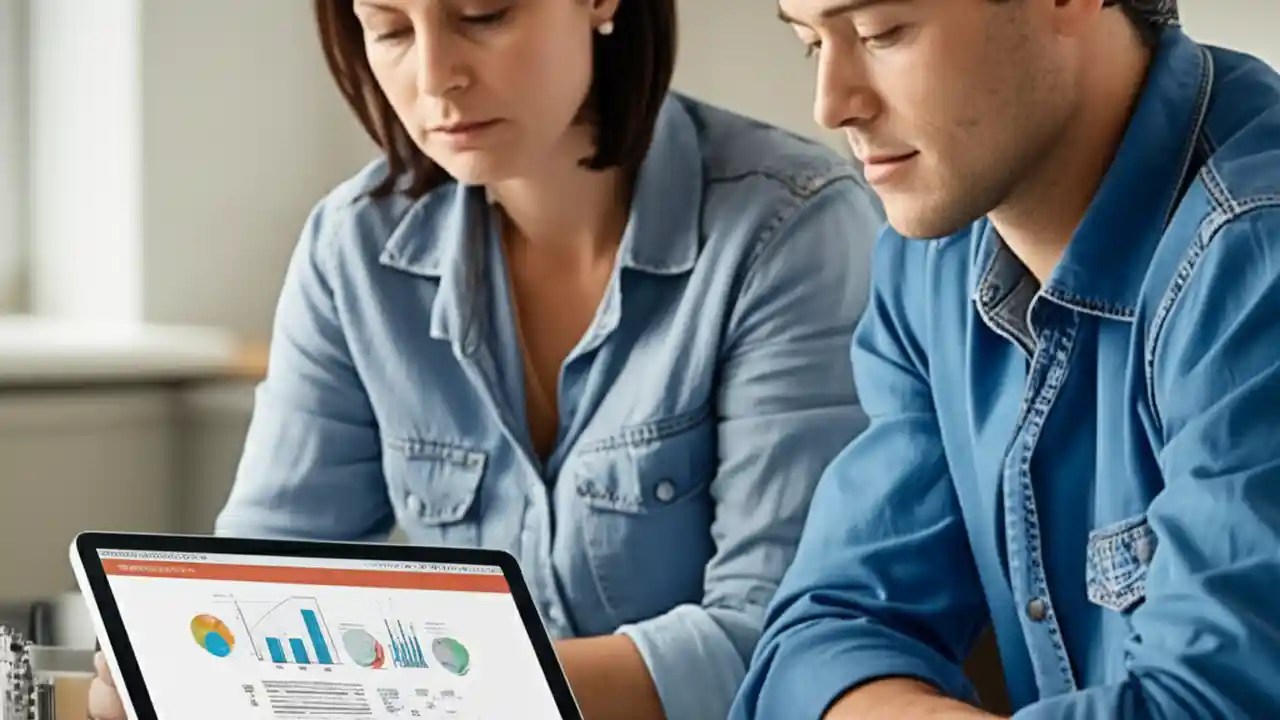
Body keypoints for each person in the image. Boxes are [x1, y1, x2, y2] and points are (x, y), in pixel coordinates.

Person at [88, 0, 883, 718]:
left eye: (483, 15)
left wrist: (434, 693)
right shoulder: (353, 249)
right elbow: (257, 593)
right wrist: (178, 668)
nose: (436, 77)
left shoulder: (789, 229)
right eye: (391, 29)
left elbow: (776, 641)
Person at [732, 0, 1280, 718]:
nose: (831, 105)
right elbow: (818, 640)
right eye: (811, 44)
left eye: (880, 34)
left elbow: (1214, 705)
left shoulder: (1255, 257)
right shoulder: (929, 259)